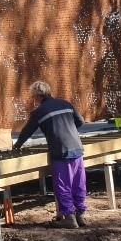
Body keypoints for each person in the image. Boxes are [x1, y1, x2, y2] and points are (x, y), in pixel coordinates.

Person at [11, 80, 88, 229]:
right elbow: (80, 121)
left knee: (63, 184)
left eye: (33, 97)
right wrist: (69, 131)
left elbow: (27, 131)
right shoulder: (66, 104)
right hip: (77, 148)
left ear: (37, 96)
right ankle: (81, 215)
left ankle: (69, 217)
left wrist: (17, 146)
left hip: (60, 150)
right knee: (79, 182)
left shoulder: (40, 112)